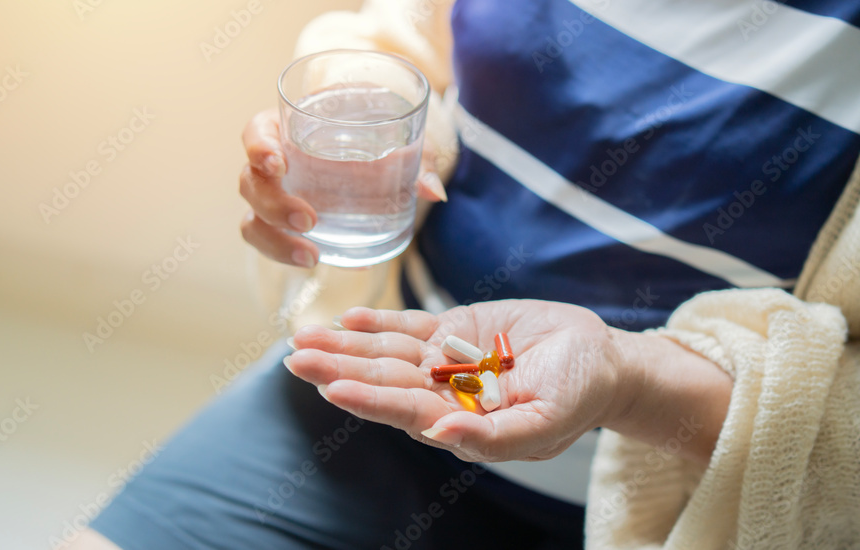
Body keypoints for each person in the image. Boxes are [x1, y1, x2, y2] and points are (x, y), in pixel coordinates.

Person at [69, 0, 860, 548]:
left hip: (700, 516)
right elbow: (408, 37)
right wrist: (367, 115)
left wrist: (629, 379)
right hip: (383, 396)